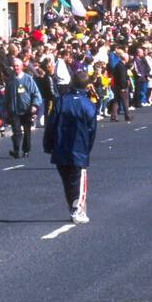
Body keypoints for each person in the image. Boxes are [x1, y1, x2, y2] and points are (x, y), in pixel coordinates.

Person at [43, 69, 97, 224]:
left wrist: (48, 144)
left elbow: (51, 125)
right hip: (78, 148)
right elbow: (91, 132)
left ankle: (73, 208)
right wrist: (88, 149)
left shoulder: (61, 100)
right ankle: (77, 210)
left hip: (60, 147)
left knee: (67, 181)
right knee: (78, 182)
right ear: (87, 86)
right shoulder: (88, 105)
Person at [3, 56, 42, 158]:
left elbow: (36, 93)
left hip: (26, 109)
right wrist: (5, 108)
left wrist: (34, 105)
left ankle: (26, 150)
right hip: (14, 110)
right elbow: (6, 95)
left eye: (17, 66)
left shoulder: (28, 79)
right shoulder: (10, 80)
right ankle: (16, 151)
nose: (16, 68)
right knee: (16, 132)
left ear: (21, 67)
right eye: (14, 66)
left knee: (27, 131)